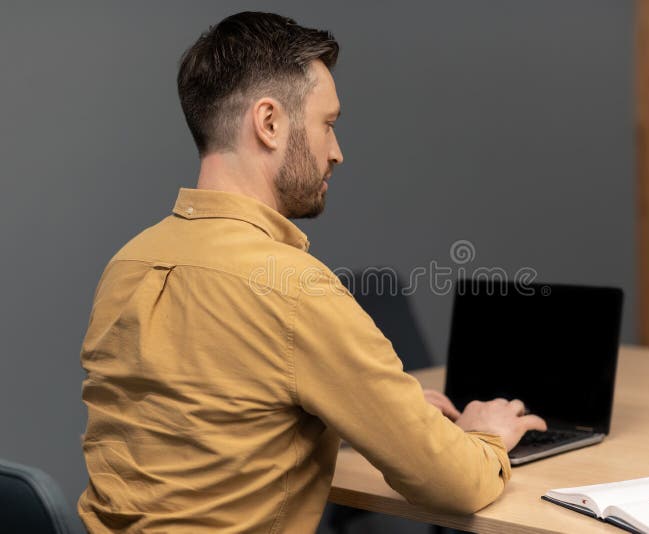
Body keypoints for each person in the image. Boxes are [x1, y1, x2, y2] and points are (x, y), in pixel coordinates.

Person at [78, 11, 546, 533]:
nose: (337, 153)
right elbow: (456, 484)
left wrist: (358, 411)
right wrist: (485, 435)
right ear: (270, 123)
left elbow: (202, 429)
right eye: (329, 124)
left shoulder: (127, 265)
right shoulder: (294, 289)